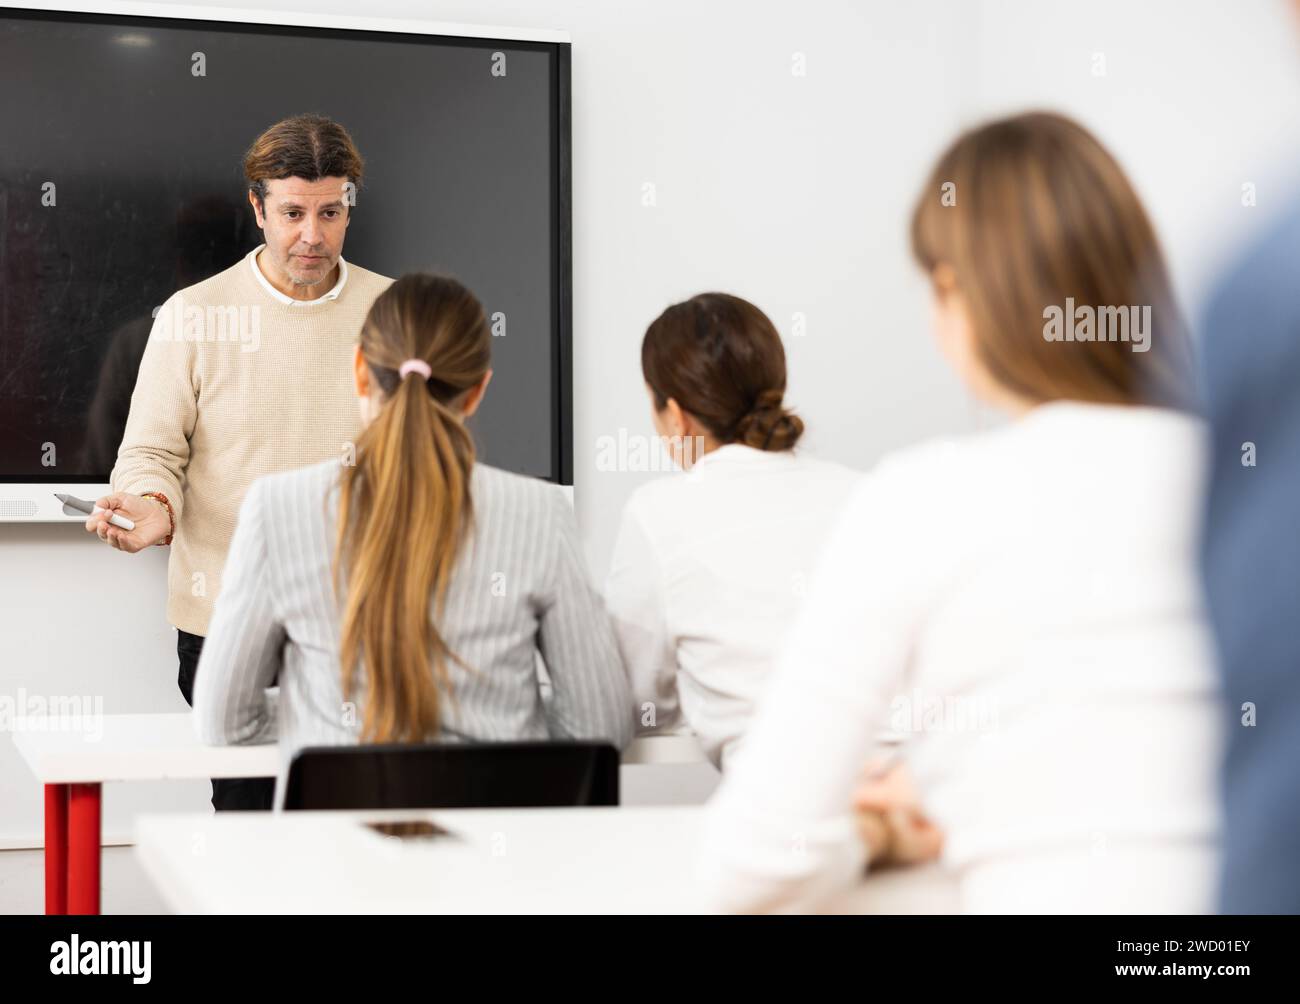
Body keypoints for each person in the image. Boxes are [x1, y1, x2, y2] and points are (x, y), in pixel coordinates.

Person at [697, 112, 1222, 913]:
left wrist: (878, 831)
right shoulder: (1249, 478)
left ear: (953, 293)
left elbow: (752, 861)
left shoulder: (923, 497)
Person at [191, 273, 632, 799]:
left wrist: (316, 710)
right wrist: (505, 717)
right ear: (477, 391)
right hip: (501, 869)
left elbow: (223, 722)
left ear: (360, 372)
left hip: (334, 867)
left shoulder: (278, 508)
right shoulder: (540, 512)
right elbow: (602, 725)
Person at [82, 114, 394, 810]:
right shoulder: (193, 315)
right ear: (258, 209)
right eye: (290, 213)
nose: (310, 235)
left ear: (349, 209)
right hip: (228, 624)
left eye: (329, 213)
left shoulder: (394, 312)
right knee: (253, 829)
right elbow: (152, 452)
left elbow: (421, 459)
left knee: (360, 831)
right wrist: (151, 507)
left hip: (363, 626)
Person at [604, 293, 861, 770]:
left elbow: (632, 702)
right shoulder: (863, 493)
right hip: (914, 801)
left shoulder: (658, 513)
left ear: (675, 416)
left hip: (784, 804)